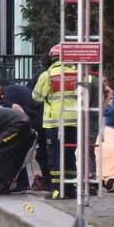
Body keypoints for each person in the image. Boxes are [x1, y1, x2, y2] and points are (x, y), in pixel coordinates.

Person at [32, 44, 90, 197]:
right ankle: (71, 189)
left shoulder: (48, 75)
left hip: (55, 122)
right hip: (74, 121)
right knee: (70, 155)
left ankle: (58, 189)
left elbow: (36, 96)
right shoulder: (78, 74)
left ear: (52, 58)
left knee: (56, 156)